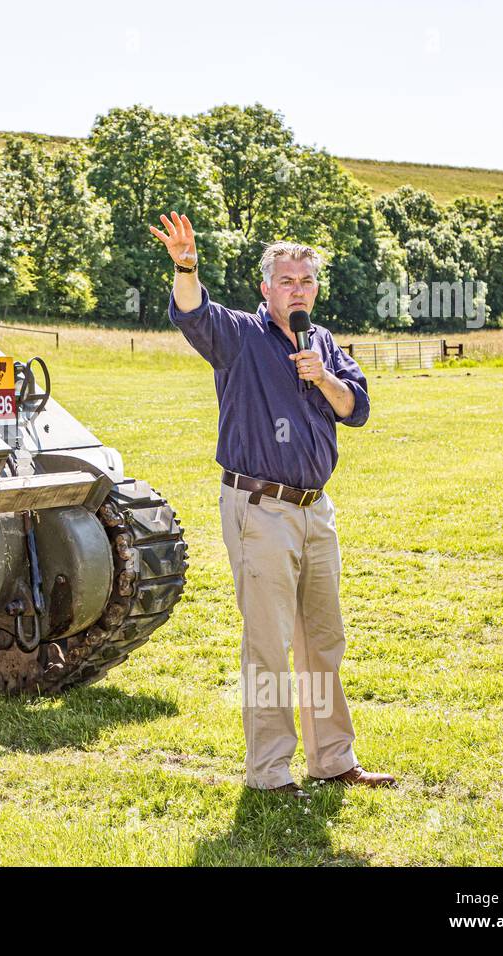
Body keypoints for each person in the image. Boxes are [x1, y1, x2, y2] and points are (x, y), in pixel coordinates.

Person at [150, 211, 397, 799]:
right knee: (268, 644)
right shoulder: (239, 336)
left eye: (306, 282)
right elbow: (193, 314)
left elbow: (355, 408)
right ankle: (270, 771)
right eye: (286, 282)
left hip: (316, 509)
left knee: (322, 638)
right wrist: (186, 267)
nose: (298, 291)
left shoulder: (323, 343)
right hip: (260, 508)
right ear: (266, 289)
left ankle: (332, 759)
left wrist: (323, 379)